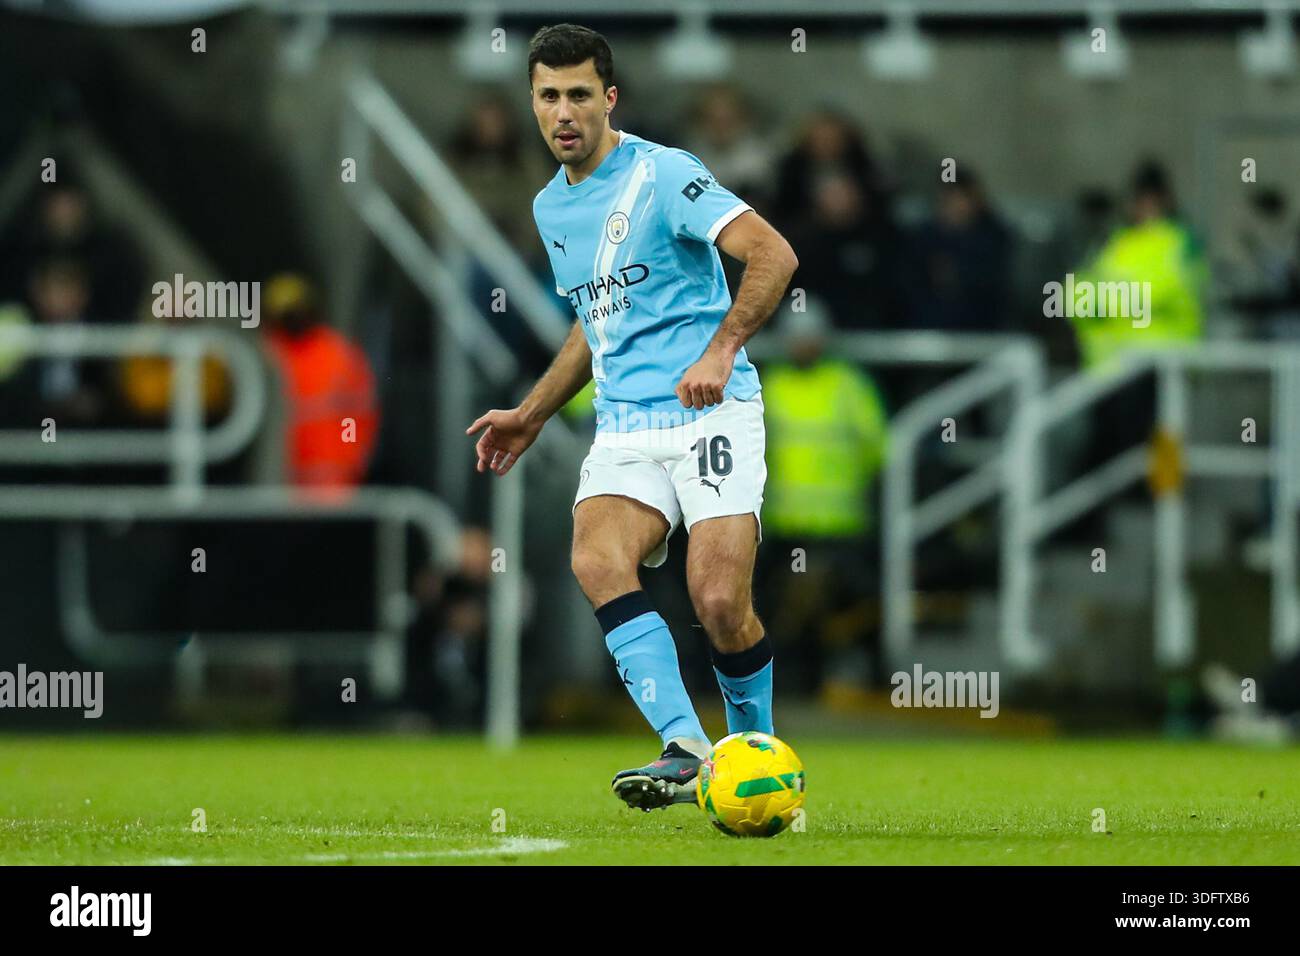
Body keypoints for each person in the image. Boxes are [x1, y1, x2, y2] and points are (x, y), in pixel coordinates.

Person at [466, 24, 798, 812]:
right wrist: (535, 412)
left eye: (580, 93)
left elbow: (773, 254)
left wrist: (720, 350)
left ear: (609, 99)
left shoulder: (664, 174)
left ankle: (760, 757)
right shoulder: (552, 207)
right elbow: (596, 321)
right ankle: (685, 746)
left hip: (712, 414)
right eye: (548, 96)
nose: (564, 111)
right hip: (624, 426)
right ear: (533, 105)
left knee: (719, 603)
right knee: (595, 558)